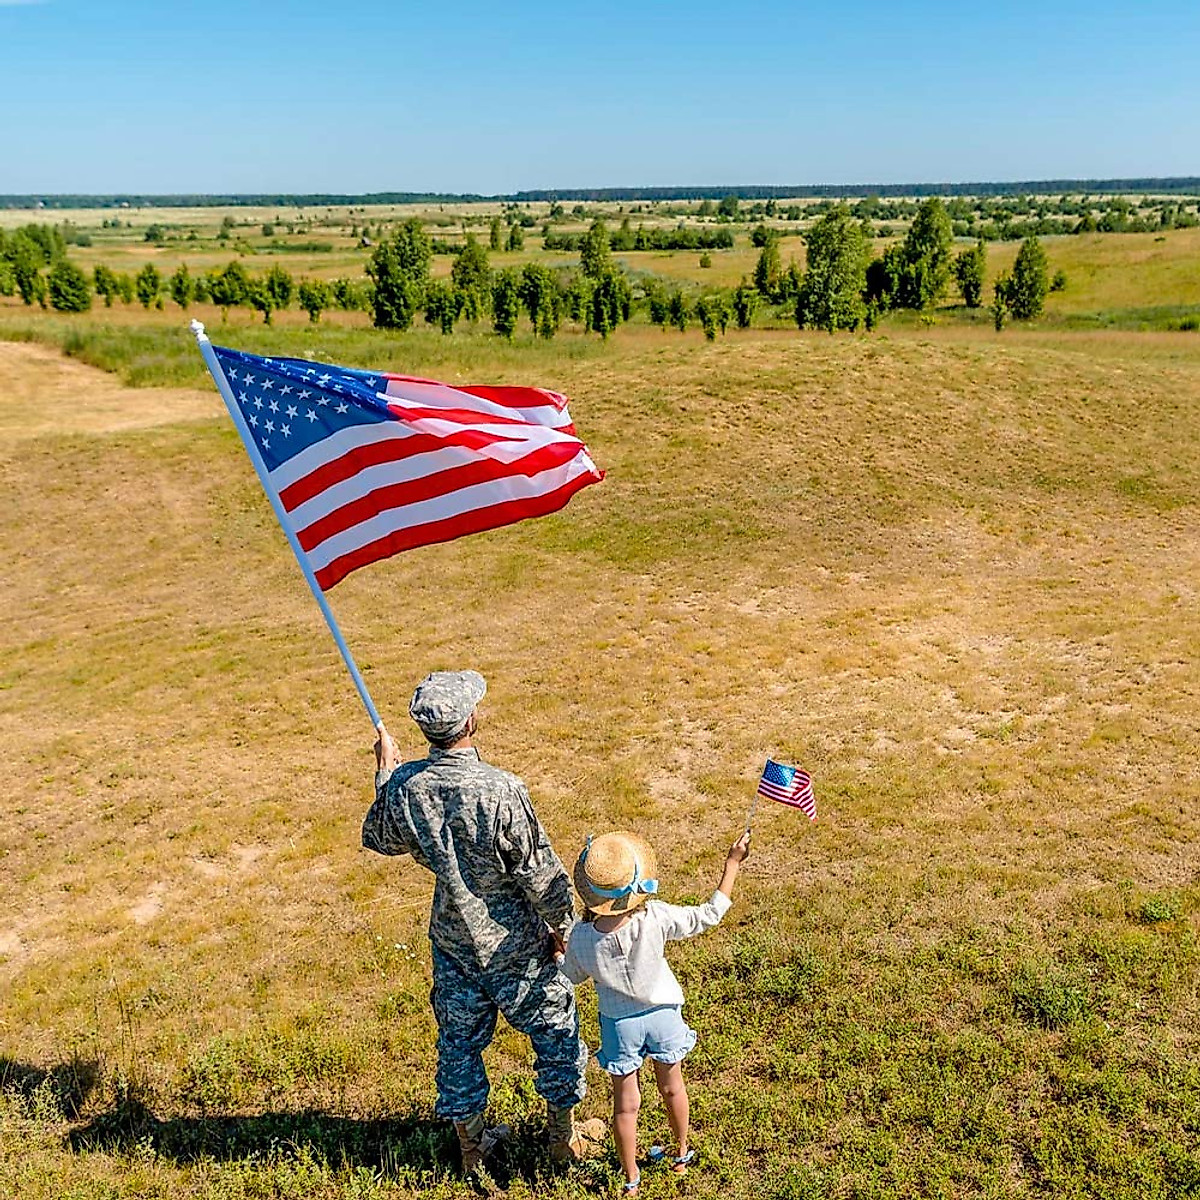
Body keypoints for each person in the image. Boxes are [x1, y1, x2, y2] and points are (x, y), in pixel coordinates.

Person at [363, 669, 604, 1175]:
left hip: (453, 942)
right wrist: (562, 928)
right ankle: (563, 1139)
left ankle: (472, 1150)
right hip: (517, 944)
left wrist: (386, 773)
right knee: (557, 1034)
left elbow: (380, 837)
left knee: (458, 1045)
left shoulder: (409, 787)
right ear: (471, 720)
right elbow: (540, 873)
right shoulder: (500, 790)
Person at [560, 828, 751, 1195]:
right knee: (672, 1087)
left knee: (626, 1106)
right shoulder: (655, 917)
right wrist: (731, 864)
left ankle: (631, 1178)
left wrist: (558, 952)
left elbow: (571, 975)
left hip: (619, 1025)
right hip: (663, 1015)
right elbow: (707, 915)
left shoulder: (582, 938)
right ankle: (681, 1154)